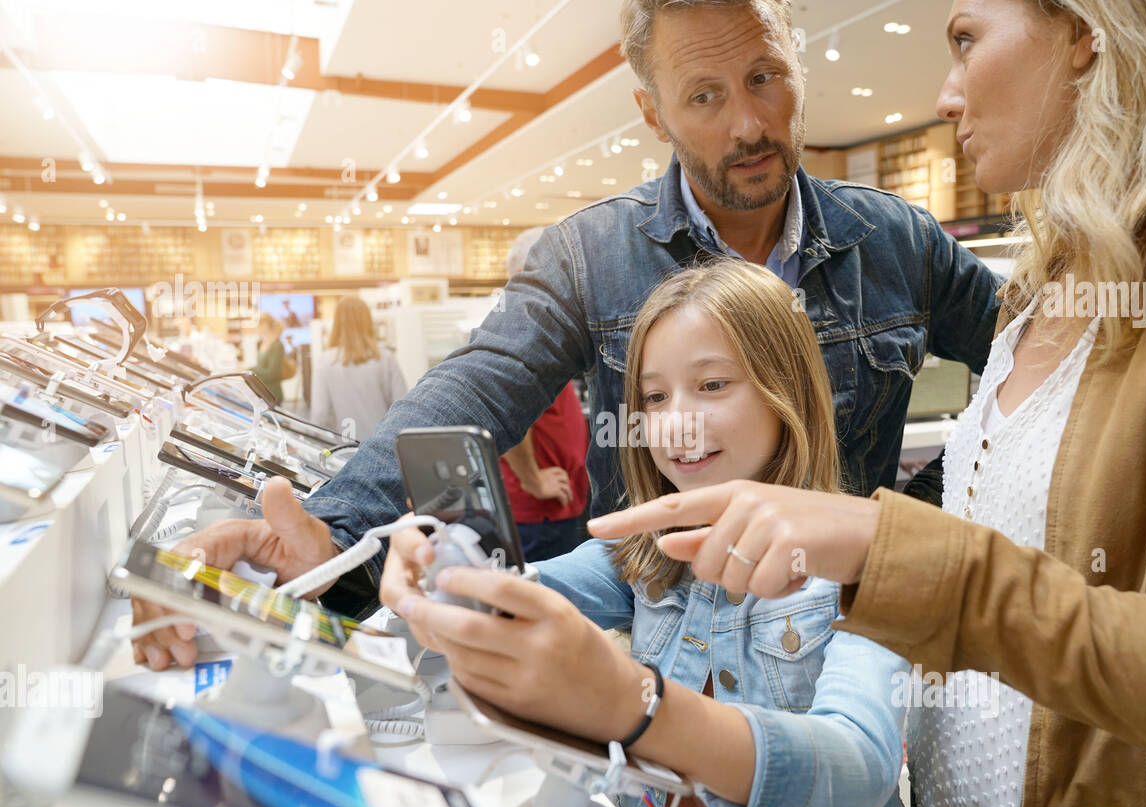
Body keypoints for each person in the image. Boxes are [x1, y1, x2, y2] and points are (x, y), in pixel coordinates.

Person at [589, 0, 1146, 807]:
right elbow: (1003, 510)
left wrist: (881, 540)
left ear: (1086, 31)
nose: (946, 94)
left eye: (965, 42)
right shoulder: (1047, 283)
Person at [130, 0, 1003, 668]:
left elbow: (1034, 374)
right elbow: (475, 387)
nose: (747, 123)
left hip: (858, 661)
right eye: (704, 95)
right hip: (663, 665)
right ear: (652, 111)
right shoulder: (592, 255)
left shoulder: (898, 241)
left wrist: (899, 523)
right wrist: (331, 543)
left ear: (796, 69)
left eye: (765, 78)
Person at [384, 258, 923, 807]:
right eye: (655, 397)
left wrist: (638, 704)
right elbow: (519, 587)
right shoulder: (651, 549)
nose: (676, 422)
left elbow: (855, 775)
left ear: (786, 389)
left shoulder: (856, 562)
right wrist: (438, 561)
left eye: (712, 385)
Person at [498, 227, 590, 562]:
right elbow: (509, 411)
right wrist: (533, 479)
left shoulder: (541, 326)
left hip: (552, 507)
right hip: (537, 510)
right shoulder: (521, 331)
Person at [310, 296, 408, 442]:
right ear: (367, 321)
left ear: (337, 323)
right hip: (382, 446)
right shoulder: (385, 358)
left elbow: (320, 415)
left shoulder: (326, 361)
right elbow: (402, 408)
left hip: (345, 448)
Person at [249, 312, 288, 404]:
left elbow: (273, 374)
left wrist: (250, 370)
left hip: (272, 394)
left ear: (265, 325)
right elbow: (261, 367)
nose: (256, 328)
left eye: (258, 325)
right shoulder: (263, 343)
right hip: (262, 393)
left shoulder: (277, 345)